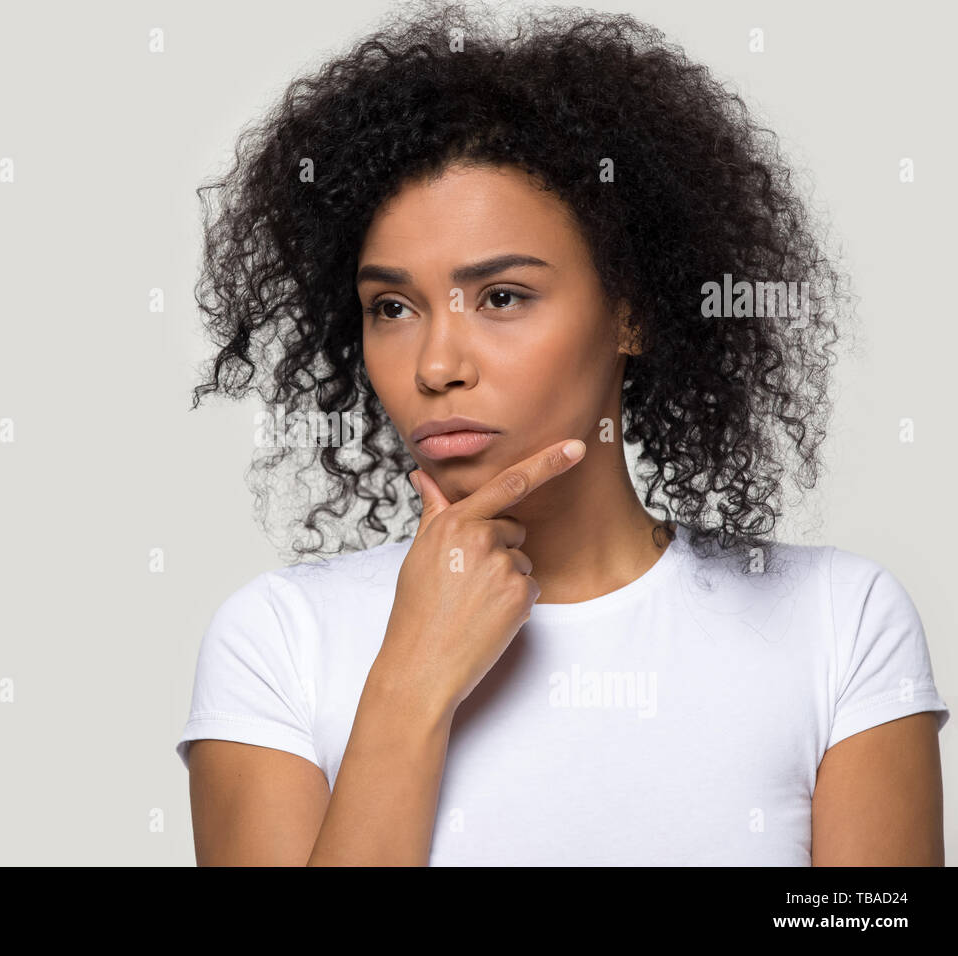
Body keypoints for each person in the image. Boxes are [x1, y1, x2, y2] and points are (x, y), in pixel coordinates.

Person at [175, 1, 949, 865]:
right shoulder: (280, 641)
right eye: (391, 308)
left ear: (631, 314)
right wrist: (410, 684)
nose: (436, 365)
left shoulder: (837, 624)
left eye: (502, 297)